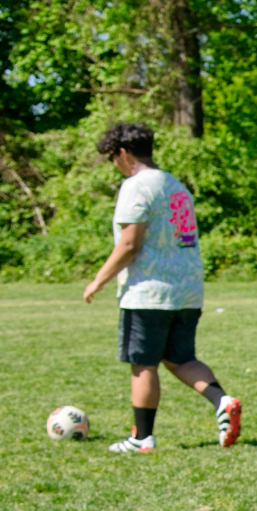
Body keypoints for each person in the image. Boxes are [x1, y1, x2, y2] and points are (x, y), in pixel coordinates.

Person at [83, 122, 241, 453]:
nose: (114, 164)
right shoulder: (176, 185)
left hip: (149, 291)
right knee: (179, 357)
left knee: (143, 364)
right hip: (187, 288)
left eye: (113, 157)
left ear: (123, 153)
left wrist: (98, 279)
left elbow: (129, 244)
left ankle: (142, 438)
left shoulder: (136, 186)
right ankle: (222, 400)